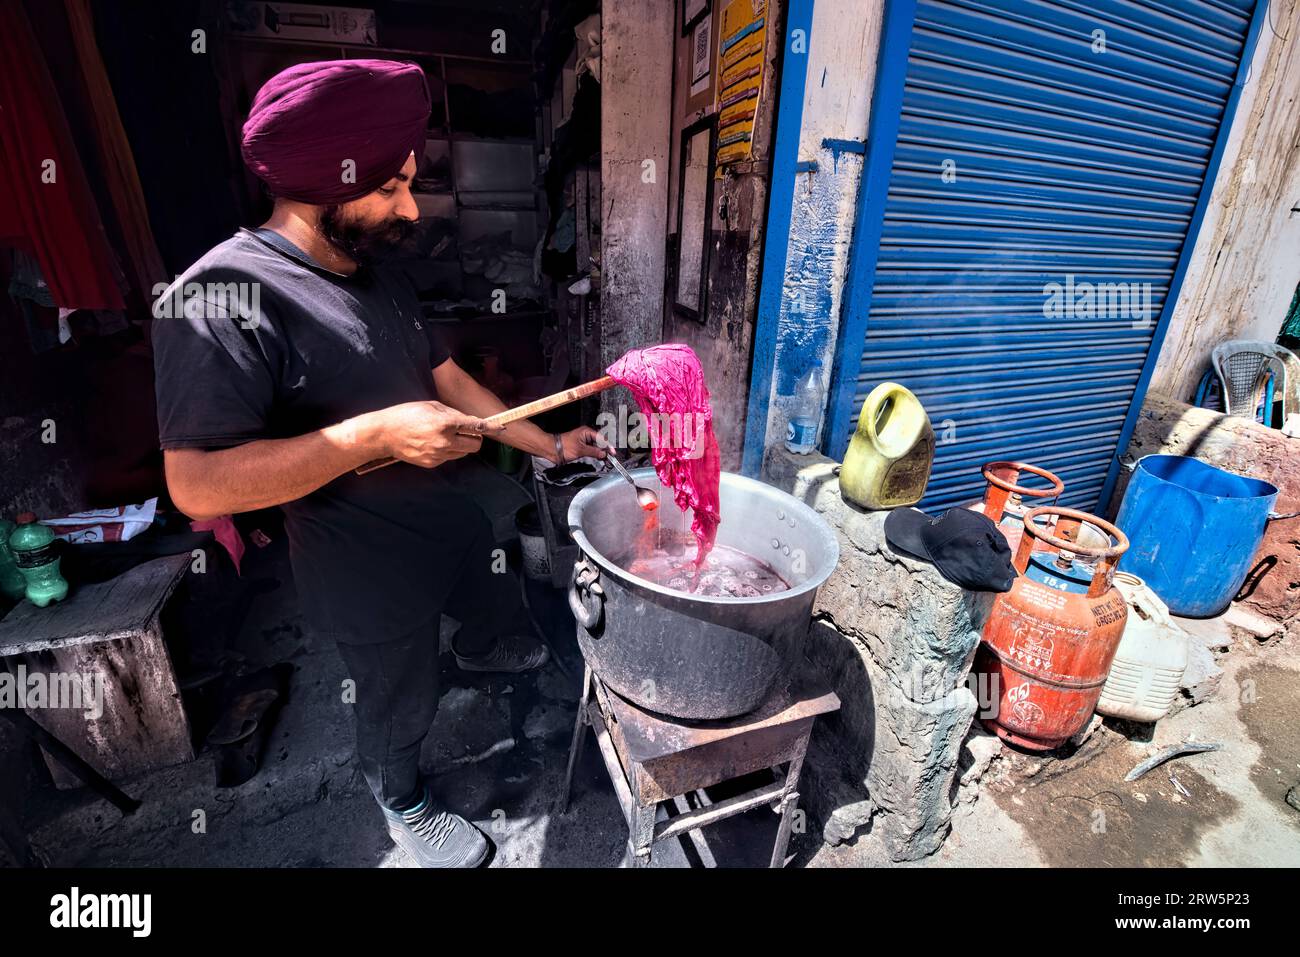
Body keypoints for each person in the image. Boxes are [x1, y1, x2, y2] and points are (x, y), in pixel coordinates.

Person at [150, 59, 604, 868]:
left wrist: (555, 443)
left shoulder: (375, 275)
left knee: (491, 543)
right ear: (330, 180)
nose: (410, 205)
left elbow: (447, 379)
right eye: (391, 186)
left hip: (439, 510)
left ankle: (478, 641)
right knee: (399, 700)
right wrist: (377, 437)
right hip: (358, 561)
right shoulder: (220, 294)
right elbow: (195, 483)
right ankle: (402, 800)